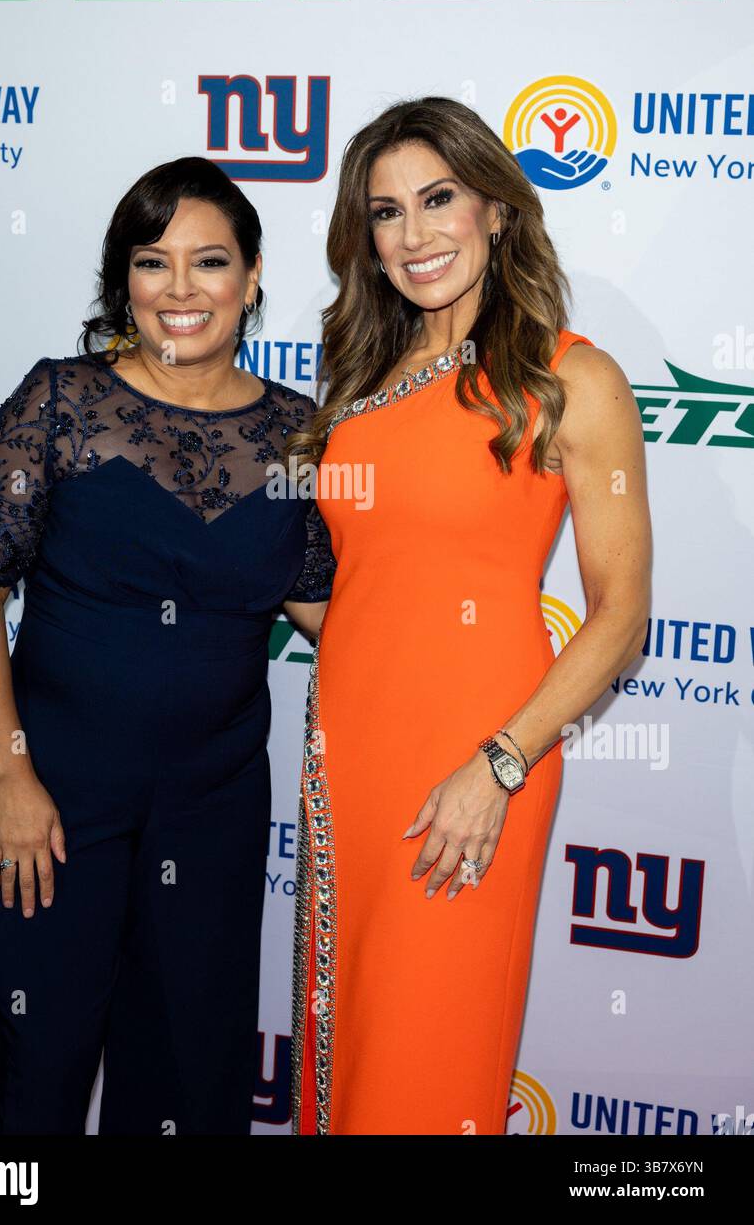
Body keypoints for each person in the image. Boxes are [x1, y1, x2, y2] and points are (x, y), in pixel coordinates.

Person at [0, 157, 336, 1135]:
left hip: (213, 812)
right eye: (154, 263)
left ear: (250, 276)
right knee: (43, 1065)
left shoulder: (297, 436)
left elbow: (334, 612)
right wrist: (13, 776)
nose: (183, 289)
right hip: (55, 803)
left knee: (190, 1082)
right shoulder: (60, 405)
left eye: (210, 261)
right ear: (124, 283)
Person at [285, 97, 652, 1135]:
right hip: (345, 760)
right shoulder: (360, 383)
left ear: (495, 207)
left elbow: (620, 615)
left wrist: (500, 762)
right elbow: (366, 587)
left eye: (438, 199)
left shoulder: (570, 377)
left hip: (483, 757)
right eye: (387, 213)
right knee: (342, 1043)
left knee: (427, 1054)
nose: (416, 234)